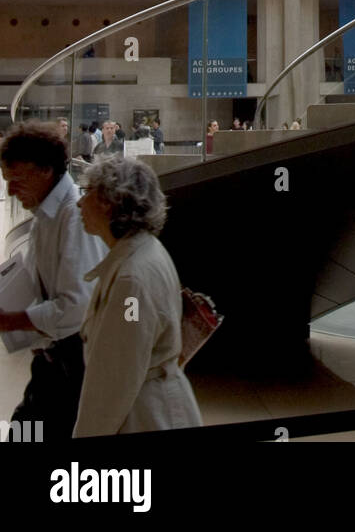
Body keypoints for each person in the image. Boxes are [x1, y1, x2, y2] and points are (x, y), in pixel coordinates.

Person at [73, 156, 203, 436]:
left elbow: (114, 381)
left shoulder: (131, 280)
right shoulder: (145, 251)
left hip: (144, 416)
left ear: (109, 201)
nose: (79, 203)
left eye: (86, 194)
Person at [0, 123, 106, 438]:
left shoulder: (75, 219)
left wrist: (14, 321)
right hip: (53, 361)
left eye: (17, 180)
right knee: (24, 431)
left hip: (75, 366)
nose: (10, 192)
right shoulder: (46, 216)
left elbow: (76, 308)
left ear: (46, 171)